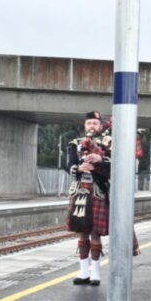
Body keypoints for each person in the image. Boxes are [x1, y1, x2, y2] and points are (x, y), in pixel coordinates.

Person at [67, 111, 111, 285]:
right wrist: (78, 168)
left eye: (94, 123)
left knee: (95, 233)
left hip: (98, 190)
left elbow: (114, 166)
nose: (91, 126)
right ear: (84, 126)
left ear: (100, 126)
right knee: (81, 231)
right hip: (79, 191)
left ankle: (96, 274)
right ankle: (84, 272)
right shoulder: (74, 143)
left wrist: (100, 159)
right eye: (88, 123)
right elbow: (69, 165)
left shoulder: (107, 145)